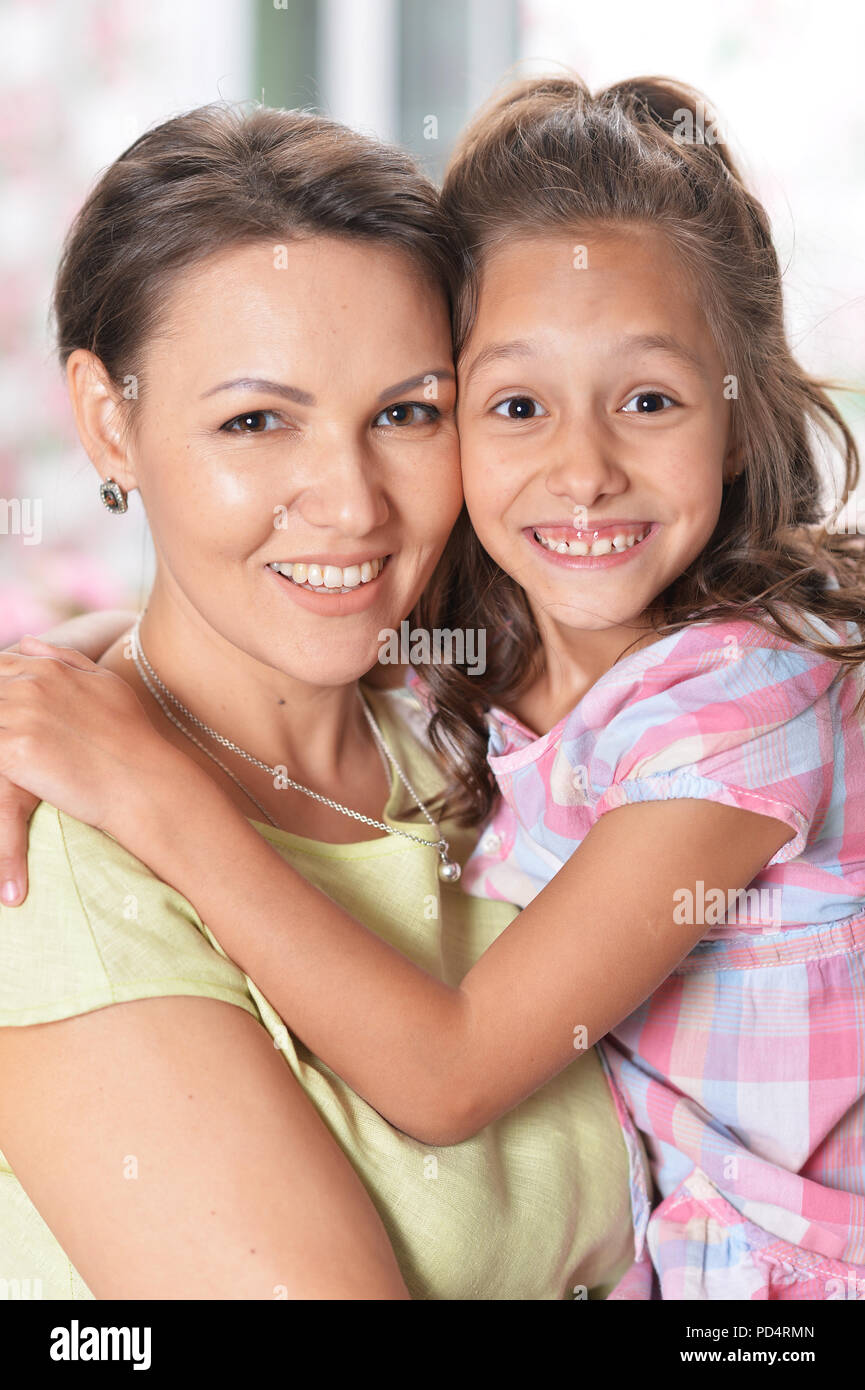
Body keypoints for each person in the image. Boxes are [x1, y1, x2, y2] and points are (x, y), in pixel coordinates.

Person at [12, 72, 861, 1301]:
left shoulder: (459, 716)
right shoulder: (69, 868)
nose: (352, 504)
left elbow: (451, 1070)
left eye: (406, 413)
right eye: (255, 423)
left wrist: (113, 730)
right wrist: (77, 705)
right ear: (106, 421)